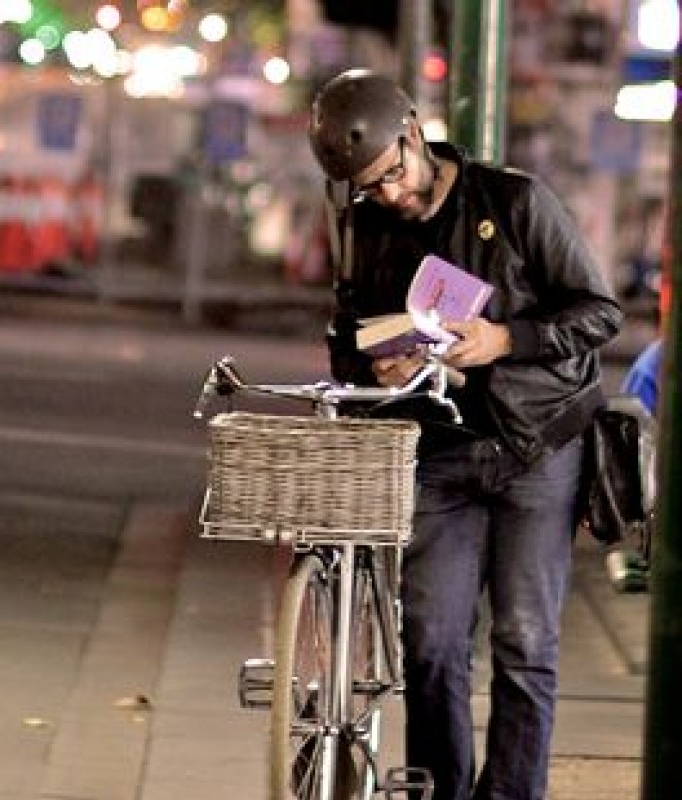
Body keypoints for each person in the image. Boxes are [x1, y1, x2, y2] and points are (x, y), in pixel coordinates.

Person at [307, 69, 623, 800]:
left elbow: (599, 313)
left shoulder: (514, 202)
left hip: (534, 445)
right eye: (367, 188)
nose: (387, 195)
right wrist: (370, 366)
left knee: (524, 642)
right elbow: (348, 332)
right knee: (433, 642)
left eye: (390, 174)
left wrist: (504, 340)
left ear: (413, 134)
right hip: (438, 450)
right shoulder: (368, 227)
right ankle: (441, 790)